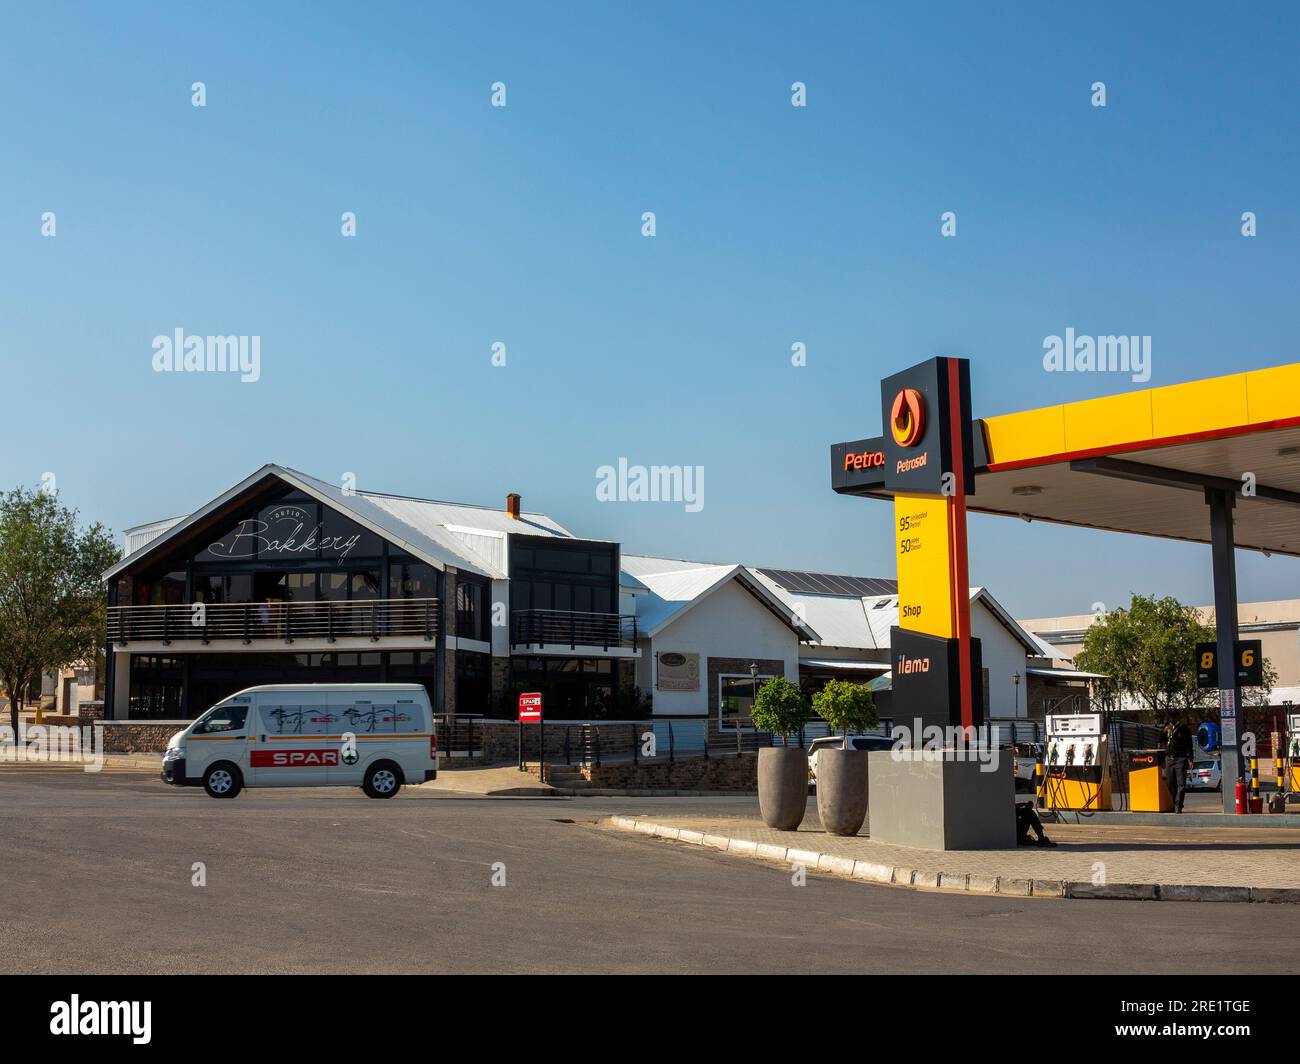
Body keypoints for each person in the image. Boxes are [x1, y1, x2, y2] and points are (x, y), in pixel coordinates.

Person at [1164, 719, 1193, 813]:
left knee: (1181, 784)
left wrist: (1190, 759)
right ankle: (1175, 801)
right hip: (1169, 758)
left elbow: (1189, 745)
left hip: (1181, 758)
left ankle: (1178, 805)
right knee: (1169, 782)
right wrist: (1164, 731)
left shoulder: (1184, 729)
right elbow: (1159, 739)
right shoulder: (1167, 730)